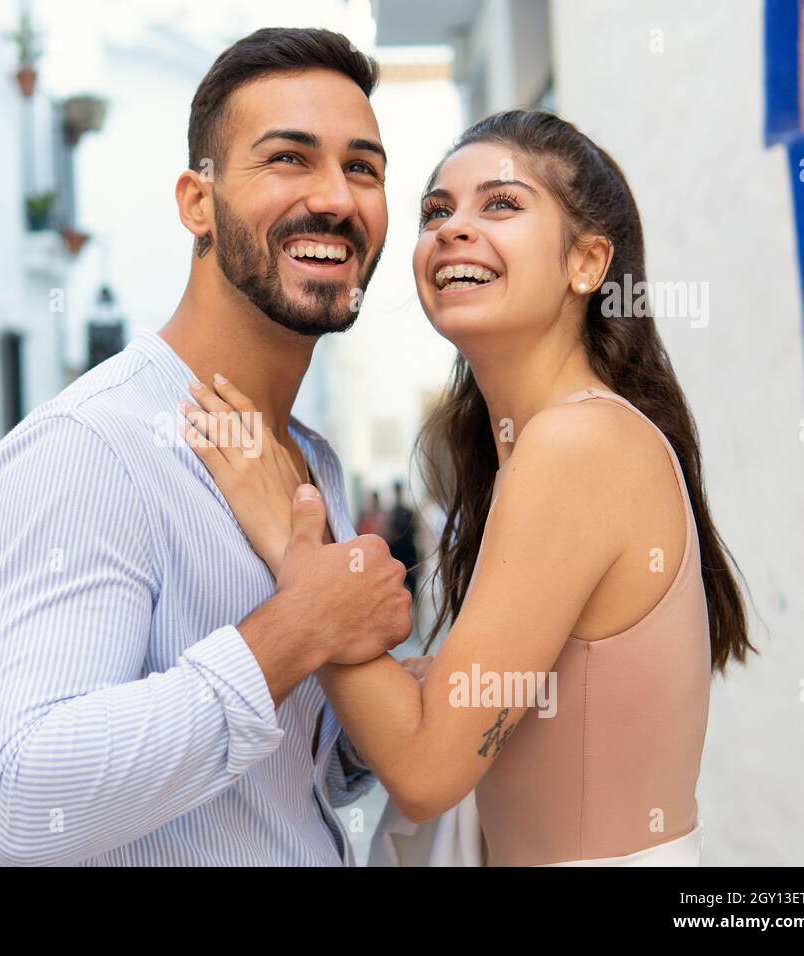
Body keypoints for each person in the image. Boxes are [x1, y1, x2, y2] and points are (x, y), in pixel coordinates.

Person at [183, 109, 753, 866]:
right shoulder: (551, 445)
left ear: (587, 263)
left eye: (502, 204)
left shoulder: (577, 444)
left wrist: (296, 551)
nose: (454, 228)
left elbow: (426, 771)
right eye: (436, 211)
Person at [0, 27, 410, 866]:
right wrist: (296, 631)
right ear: (196, 201)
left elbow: (285, 785)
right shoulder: (91, 448)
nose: (337, 199)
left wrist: (400, 699)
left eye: (363, 167)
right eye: (287, 158)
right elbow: (26, 801)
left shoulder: (312, 462)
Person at [385, 481, 420, 596]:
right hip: (399, 552)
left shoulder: (405, 512)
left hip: (408, 551)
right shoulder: (392, 513)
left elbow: (416, 532)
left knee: (411, 584)